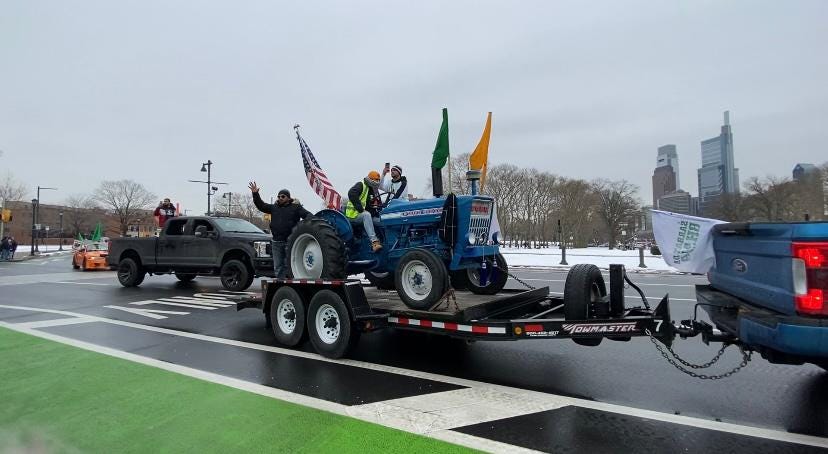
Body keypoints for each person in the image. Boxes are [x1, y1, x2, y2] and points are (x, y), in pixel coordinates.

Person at [248, 182, 311, 278]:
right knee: (278, 266)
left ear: (289, 198)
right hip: (276, 242)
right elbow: (261, 205)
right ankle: (280, 283)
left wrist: (316, 223)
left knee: (290, 265)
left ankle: (291, 284)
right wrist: (255, 194)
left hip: (290, 242)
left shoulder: (296, 208)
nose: (280, 198)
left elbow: (308, 215)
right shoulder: (274, 208)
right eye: (279, 196)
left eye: (283, 196)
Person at [345, 170, 383, 252]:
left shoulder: (371, 189)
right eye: (375, 180)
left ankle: (384, 241)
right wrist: (361, 209)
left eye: (378, 180)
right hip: (353, 215)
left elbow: (370, 206)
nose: (377, 182)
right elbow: (351, 193)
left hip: (362, 215)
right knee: (366, 215)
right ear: (370, 179)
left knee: (381, 220)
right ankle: (374, 242)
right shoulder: (361, 184)